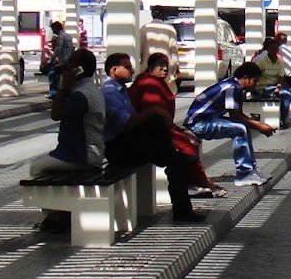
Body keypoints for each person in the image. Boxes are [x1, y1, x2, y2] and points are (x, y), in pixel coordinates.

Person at [100, 52, 201, 222]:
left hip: (130, 142)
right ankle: (182, 209)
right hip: (117, 147)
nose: (132, 70)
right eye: (128, 67)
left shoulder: (122, 89)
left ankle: (182, 210)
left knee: (174, 158)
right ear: (114, 70)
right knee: (155, 122)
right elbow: (127, 123)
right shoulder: (110, 92)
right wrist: (154, 111)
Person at [30, 48, 107, 234]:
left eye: (70, 65)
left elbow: (55, 114)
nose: (65, 68)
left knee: (37, 168)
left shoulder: (81, 95)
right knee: (48, 166)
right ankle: (59, 213)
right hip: (85, 152)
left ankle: (56, 214)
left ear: (78, 70)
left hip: (83, 155)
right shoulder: (89, 89)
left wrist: (64, 87)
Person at [131, 52, 224, 200]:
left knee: (191, 139)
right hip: (150, 132)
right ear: (150, 67)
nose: (164, 69)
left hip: (161, 128)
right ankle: (197, 182)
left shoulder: (157, 82)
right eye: (160, 65)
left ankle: (195, 181)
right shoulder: (149, 83)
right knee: (186, 144)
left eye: (166, 65)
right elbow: (153, 113)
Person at [184, 60, 277, 187]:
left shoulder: (235, 86)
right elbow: (236, 115)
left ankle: (251, 169)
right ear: (245, 78)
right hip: (198, 123)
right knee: (239, 129)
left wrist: (256, 124)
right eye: (254, 81)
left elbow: (238, 114)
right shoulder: (231, 87)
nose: (255, 85)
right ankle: (243, 173)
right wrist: (259, 126)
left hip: (208, 120)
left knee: (243, 127)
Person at [45, 20, 75, 99]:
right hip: (69, 61)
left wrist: (51, 61)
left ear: (57, 28)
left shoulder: (61, 37)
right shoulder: (68, 36)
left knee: (52, 74)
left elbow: (58, 50)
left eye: (53, 29)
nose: (53, 31)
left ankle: (53, 93)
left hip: (64, 62)